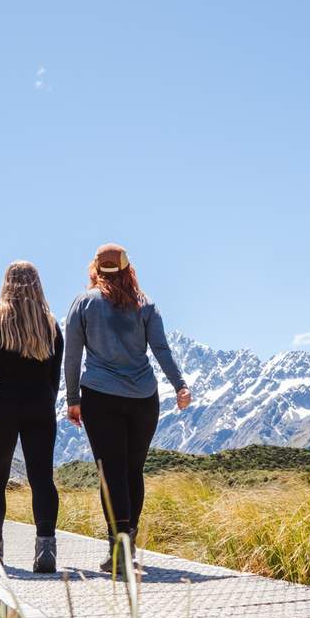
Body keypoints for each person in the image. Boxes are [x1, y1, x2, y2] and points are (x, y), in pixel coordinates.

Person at [64, 243, 191, 573]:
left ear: (95, 268)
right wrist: (180, 385)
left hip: (100, 397)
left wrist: (73, 400)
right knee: (132, 471)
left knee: (112, 473)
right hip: (143, 400)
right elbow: (161, 348)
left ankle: (119, 550)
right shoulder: (144, 304)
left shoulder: (83, 303)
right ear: (127, 269)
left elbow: (73, 357)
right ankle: (127, 547)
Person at [0, 261, 63, 572]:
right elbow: (54, 377)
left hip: (3, 406)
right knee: (42, 480)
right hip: (40, 407)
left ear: (7, 283)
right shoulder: (51, 324)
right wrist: (44, 402)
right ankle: (46, 551)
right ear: (38, 284)